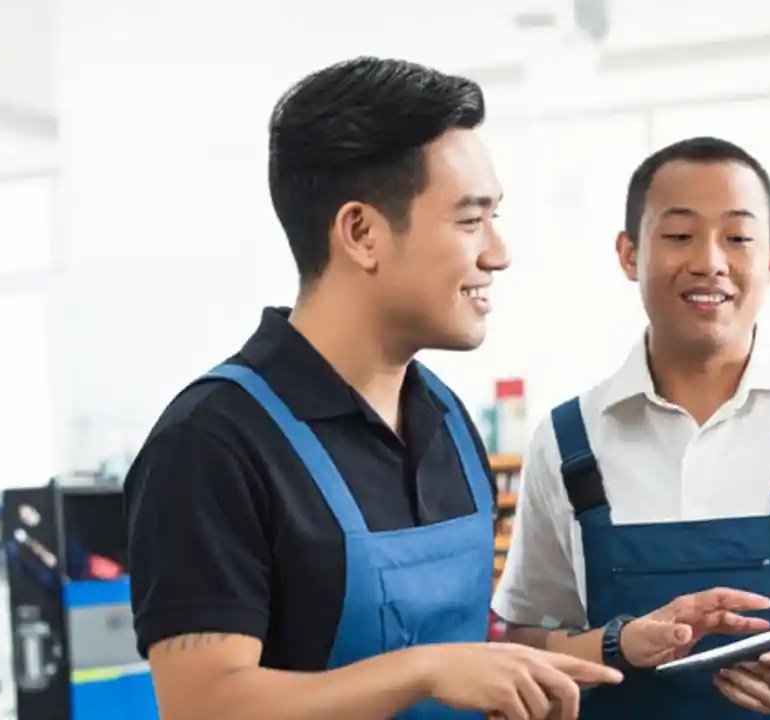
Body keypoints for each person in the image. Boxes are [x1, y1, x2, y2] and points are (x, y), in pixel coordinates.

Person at [122, 57, 630, 720]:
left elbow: (474, 656)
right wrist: (423, 671)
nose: (498, 252)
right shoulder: (210, 444)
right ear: (361, 233)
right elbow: (203, 704)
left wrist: (619, 647)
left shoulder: (447, 420)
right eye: (471, 221)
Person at [490, 136, 770, 719]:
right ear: (629, 254)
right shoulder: (568, 440)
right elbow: (527, 639)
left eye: (738, 237)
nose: (709, 261)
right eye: (679, 236)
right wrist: (617, 644)